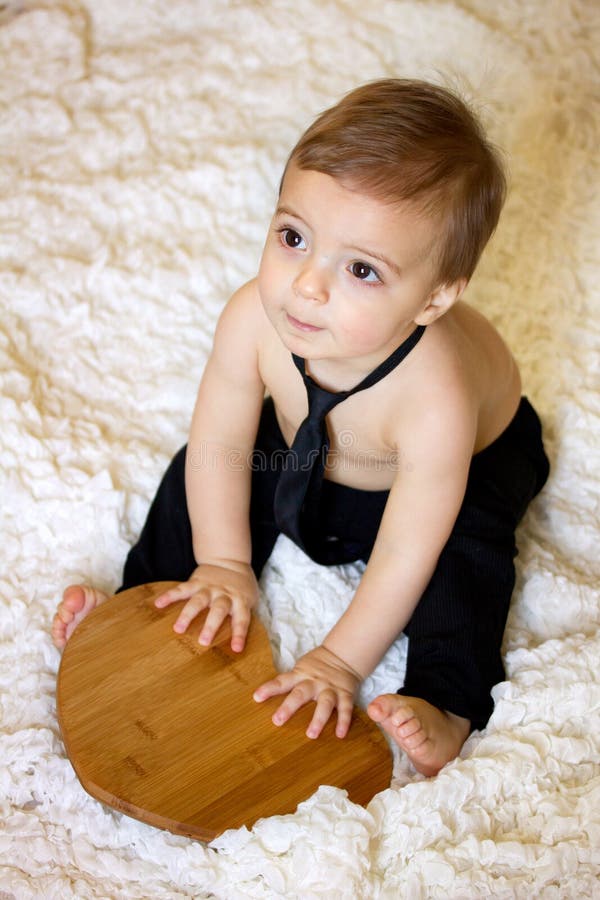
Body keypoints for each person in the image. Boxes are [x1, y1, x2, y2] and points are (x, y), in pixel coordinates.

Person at [52, 79, 549, 776]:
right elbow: (223, 440)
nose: (307, 286)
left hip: (455, 470)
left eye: (362, 270)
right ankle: (149, 599)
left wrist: (340, 659)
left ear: (435, 298)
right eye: (294, 237)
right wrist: (223, 562)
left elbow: (408, 544)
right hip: (305, 448)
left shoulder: (436, 395)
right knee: (209, 469)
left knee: (465, 558)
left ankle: (449, 699)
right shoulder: (252, 317)